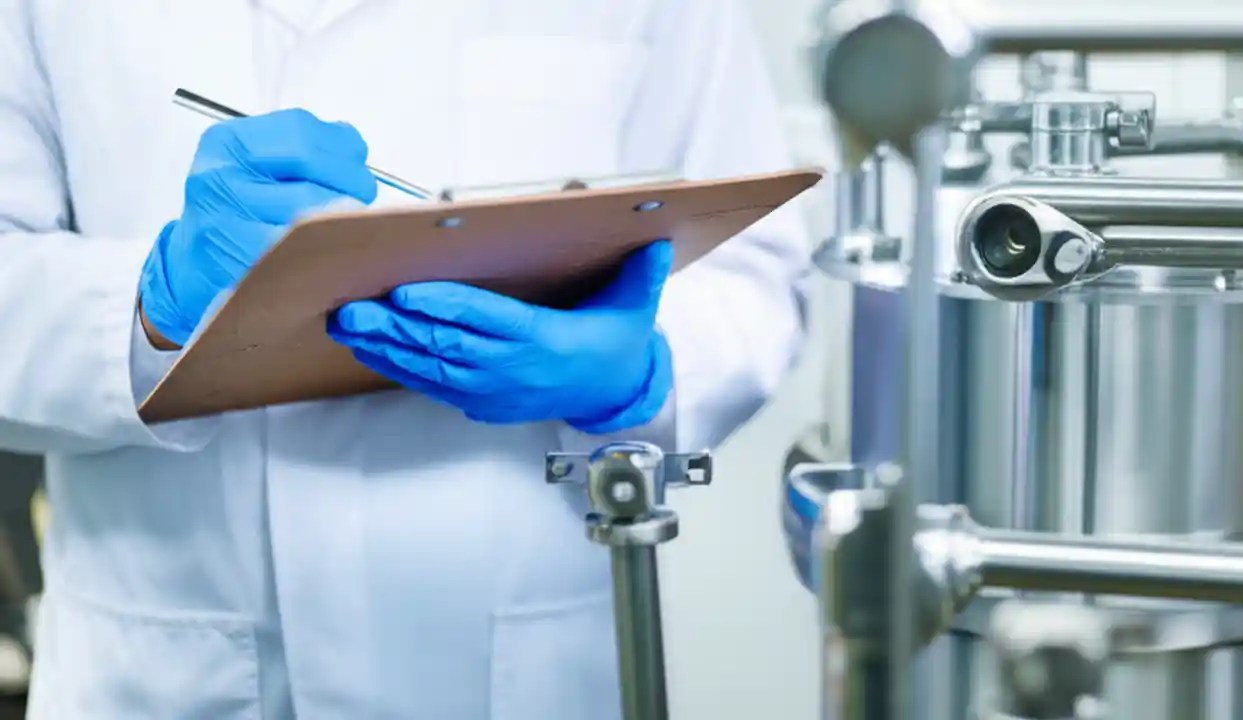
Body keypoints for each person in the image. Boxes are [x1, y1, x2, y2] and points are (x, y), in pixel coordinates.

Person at [0, 0, 808, 717]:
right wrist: (150, 304)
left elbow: (753, 270)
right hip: (166, 671)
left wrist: (640, 372)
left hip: (529, 665)